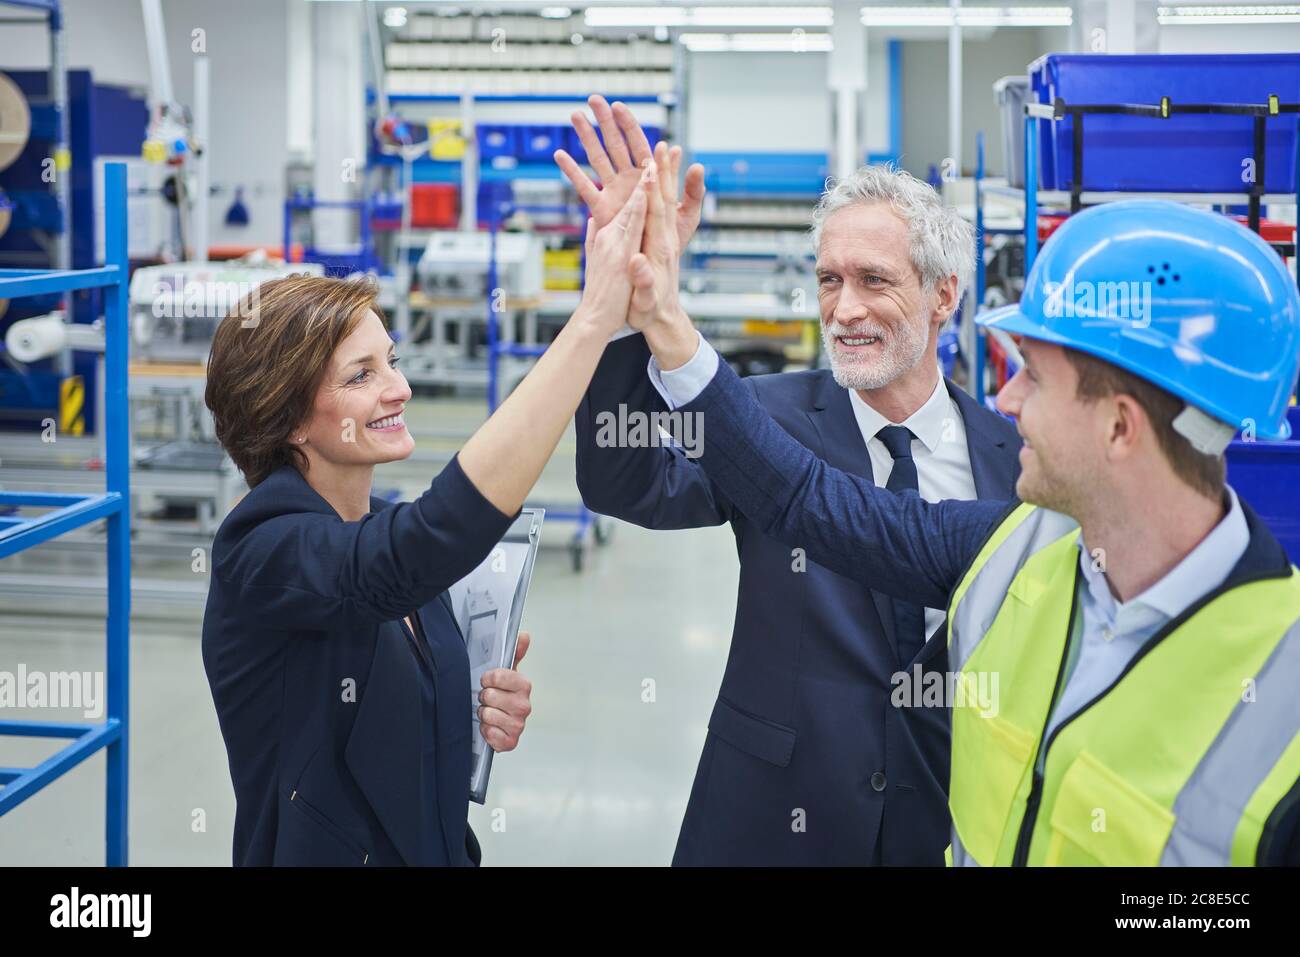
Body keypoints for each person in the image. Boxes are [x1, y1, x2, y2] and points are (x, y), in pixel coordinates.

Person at [624, 183, 1300, 865]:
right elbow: (804, 498)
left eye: (1034, 377)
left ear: (1119, 426)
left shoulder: (1282, 676)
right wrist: (657, 316)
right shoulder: (1010, 547)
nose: (1006, 397)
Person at [557, 96, 1020, 865]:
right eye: (829, 280)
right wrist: (620, 314)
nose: (845, 308)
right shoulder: (763, 418)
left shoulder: (1014, 456)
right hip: (775, 816)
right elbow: (626, 482)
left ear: (946, 295)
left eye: (874, 279)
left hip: (946, 819)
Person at [201, 168, 654, 866]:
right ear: (287, 417)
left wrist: (470, 708)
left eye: (393, 361)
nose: (400, 388)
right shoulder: (262, 549)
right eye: (363, 375)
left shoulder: (380, 523)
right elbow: (421, 547)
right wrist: (593, 318)